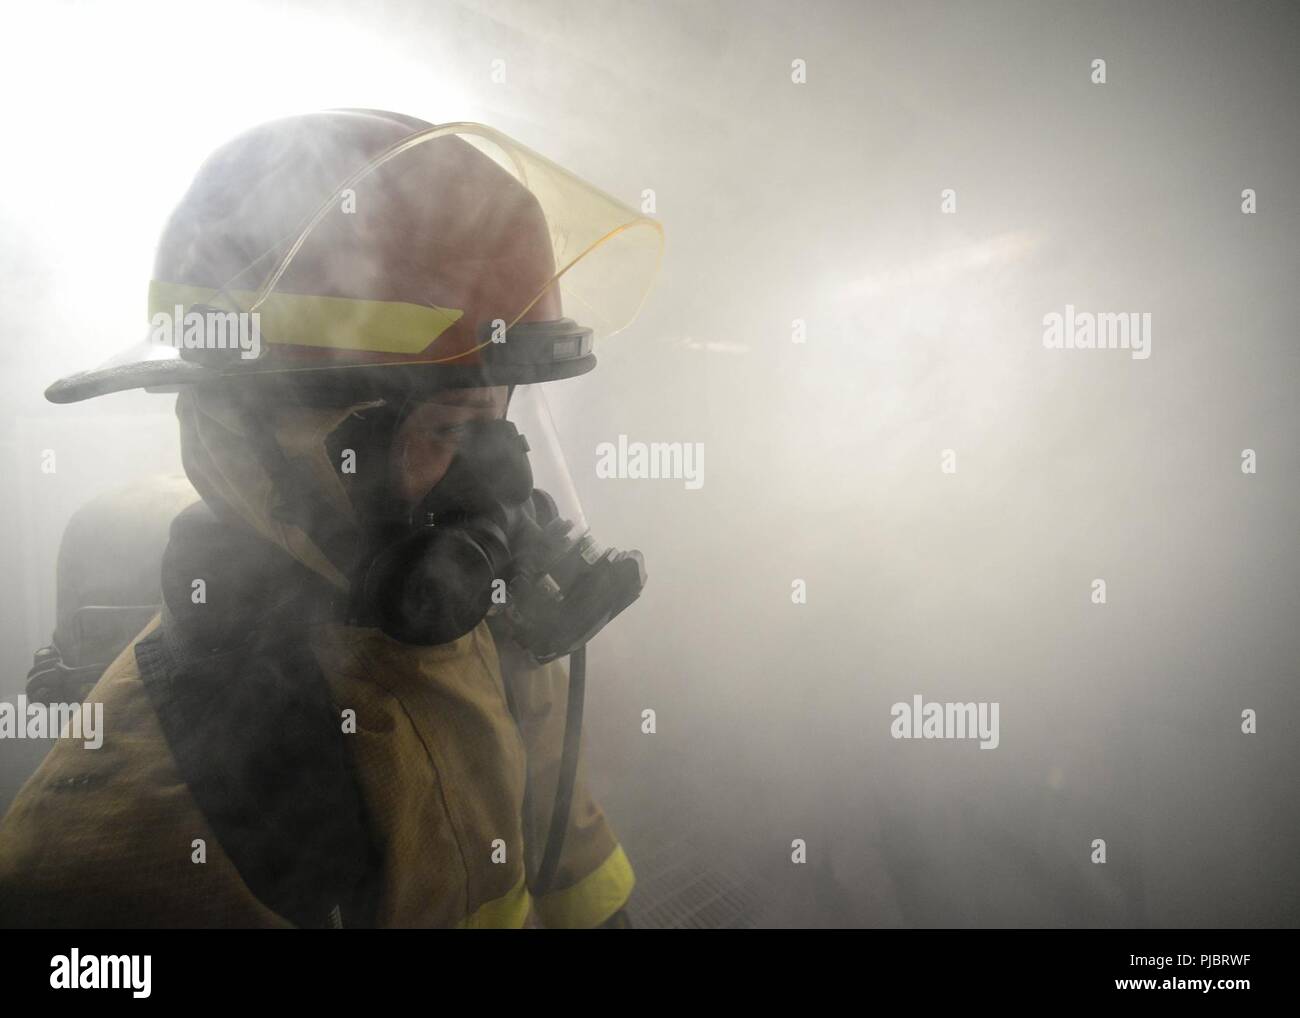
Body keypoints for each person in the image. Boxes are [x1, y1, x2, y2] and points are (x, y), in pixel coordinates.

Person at [0, 108, 662, 928]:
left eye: (498, 425)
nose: (499, 491)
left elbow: (577, 875)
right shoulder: (117, 852)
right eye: (447, 429)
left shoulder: (494, 637)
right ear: (245, 437)